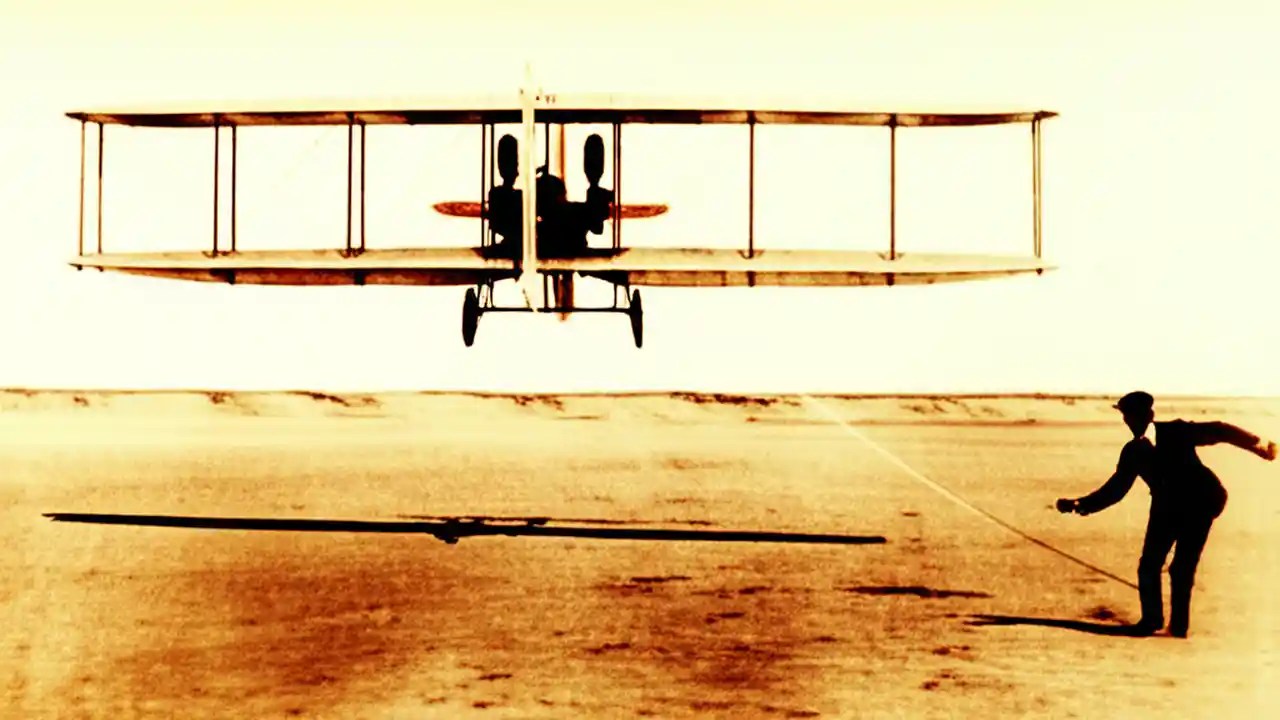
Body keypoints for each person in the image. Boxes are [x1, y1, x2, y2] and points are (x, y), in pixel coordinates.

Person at [1056, 391, 1276, 638]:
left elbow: (1219, 430)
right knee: (1149, 565)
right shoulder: (1133, 451)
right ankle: (1151, 621)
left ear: (1149, 415)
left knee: (1182, 567)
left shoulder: (1176, 431)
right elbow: (1116, 489)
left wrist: (1257, 444)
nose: (1129, 421)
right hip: (1167, 506)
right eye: (1126, 415)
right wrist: (1080, 505)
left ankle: (1179, 627)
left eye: (1133, 415)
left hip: (1201, 501)